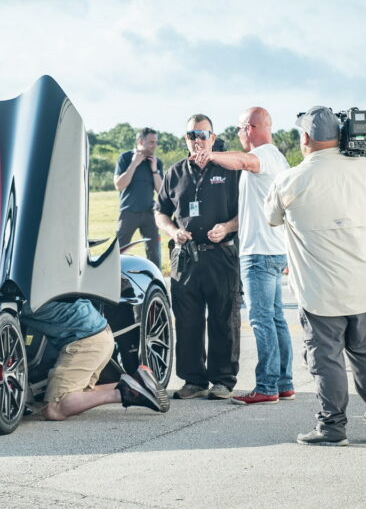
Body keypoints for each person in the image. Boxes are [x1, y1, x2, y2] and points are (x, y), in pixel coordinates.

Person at [265, 106, 366, 446]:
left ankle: (333, 427)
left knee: (326, 360)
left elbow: (272, 218)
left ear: (306, 137)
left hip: (318, 292)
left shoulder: (290, 179)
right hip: (364, 287)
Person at [193, 107, 294, 405]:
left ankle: (266, 387)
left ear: (249, 128)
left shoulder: (262, 156)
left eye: (238, 129)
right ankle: (284, 382)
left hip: (259, 255)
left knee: (262, 321)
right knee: (276, 320)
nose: (237, 134)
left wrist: (210, 155)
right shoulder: (279, 157)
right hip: (274, 250)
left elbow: (243, 160)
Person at [155, 114, 241, 400]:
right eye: (192, 135)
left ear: (213, 138)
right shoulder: (175, 172)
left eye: (203, 135)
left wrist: (227, 227)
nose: (197, 140)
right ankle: (193, 379)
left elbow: (250, 212)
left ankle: (223, 380)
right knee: (188, 320)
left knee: (223, 319)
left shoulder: (230, 170)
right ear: (185, 139)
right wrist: (172, 231)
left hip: (221, 255)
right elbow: (161, 212)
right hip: (186, 258)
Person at [21, 298, 168, 420]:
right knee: (80, 394)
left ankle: (125, 392)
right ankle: (137, 382)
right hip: (101, 334)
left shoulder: (24, 294)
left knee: (54, 409)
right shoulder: (45, 281)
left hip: (86, 342)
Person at [114, 127, 164, 268]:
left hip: (149, 213)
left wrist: (154, 169)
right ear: (141, 141)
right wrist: (134, 163)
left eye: (156, 142)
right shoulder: (124, 158)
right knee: (119, 251)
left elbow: (161, 190)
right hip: (128, 213)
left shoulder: (156, 162)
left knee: (154, 253)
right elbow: (119, 185)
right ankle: (117, 280)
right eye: (151, 142)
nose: (154, 145)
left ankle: (156, 282)